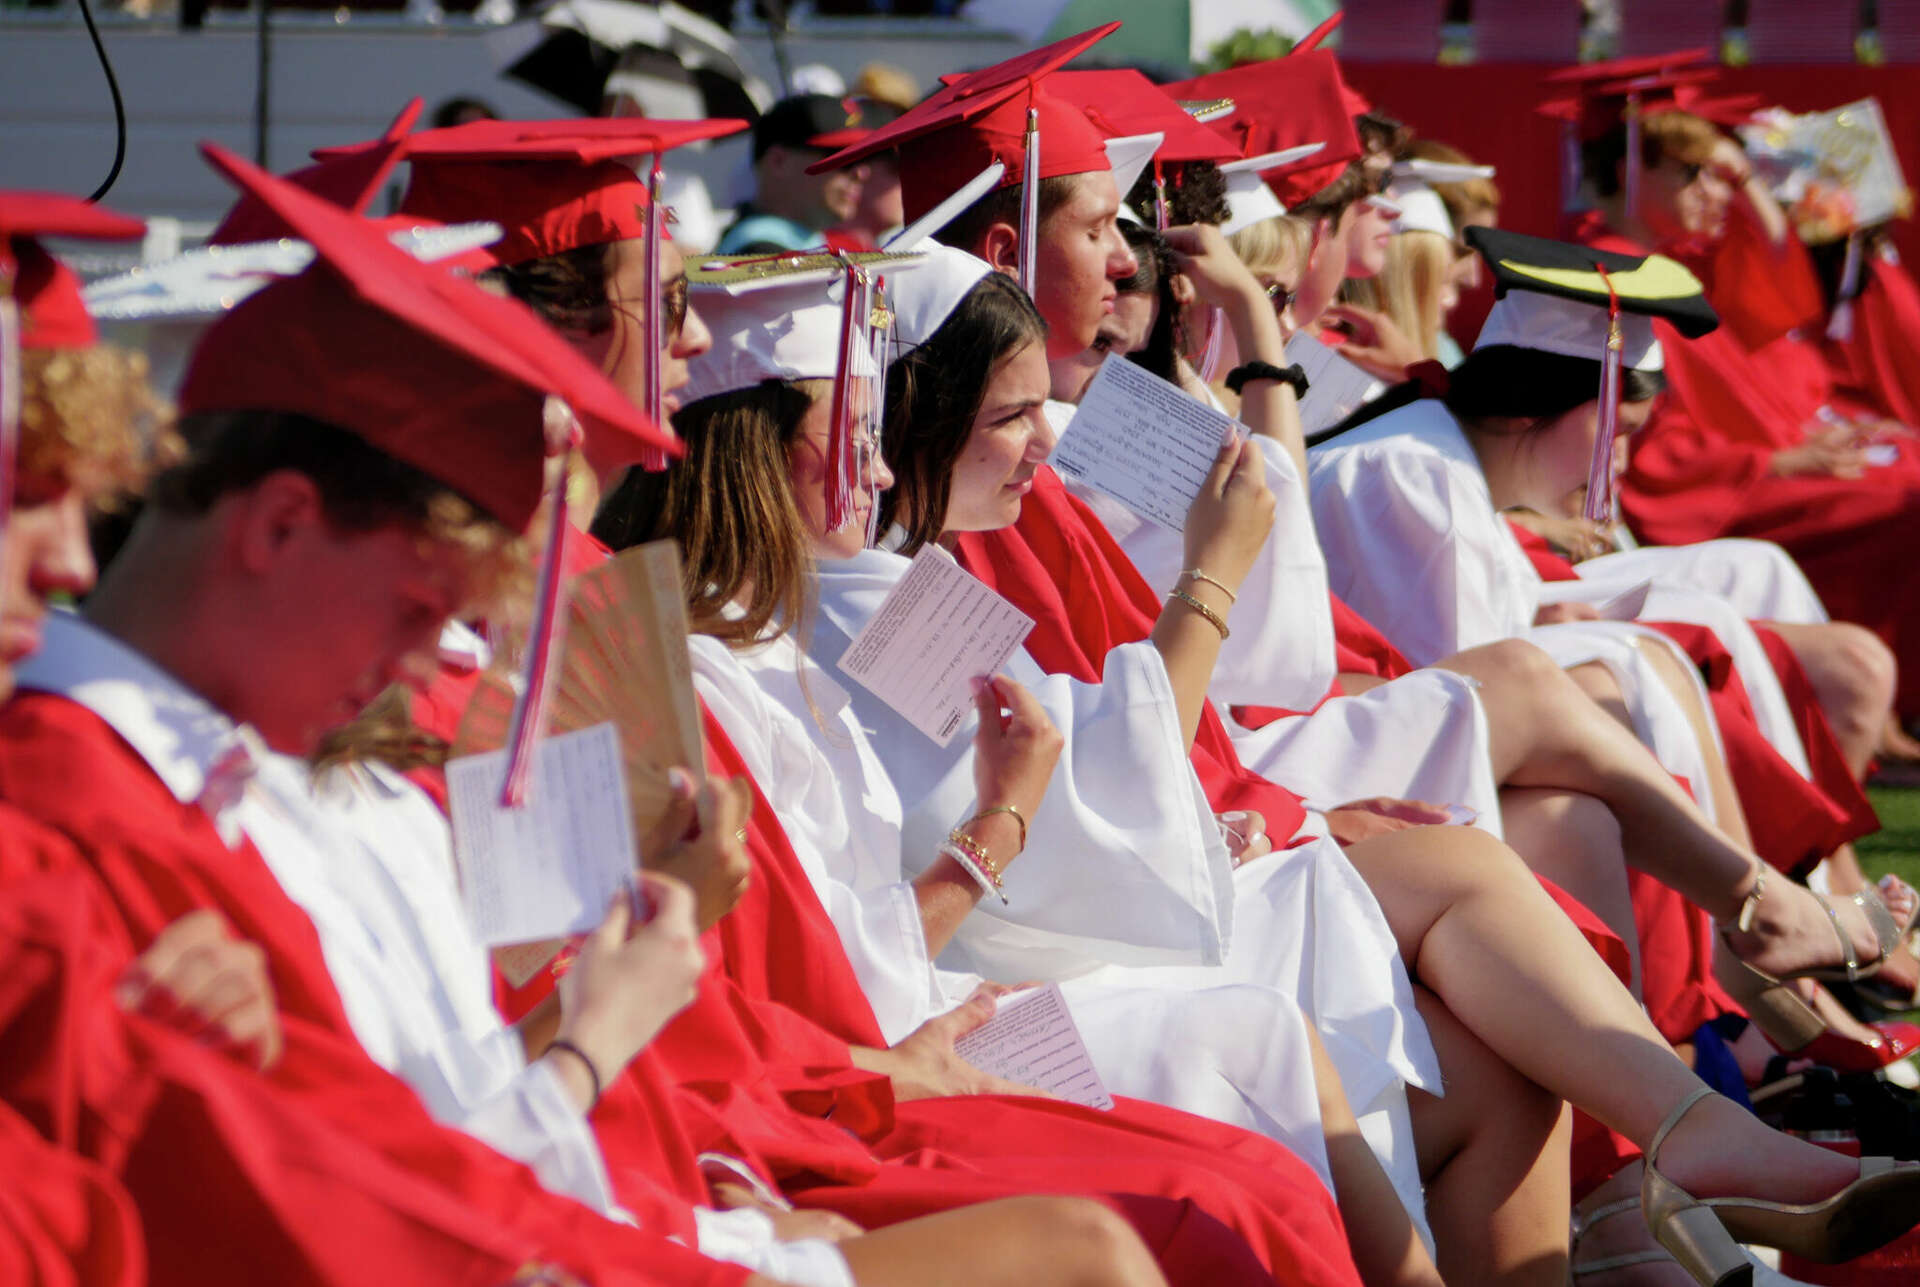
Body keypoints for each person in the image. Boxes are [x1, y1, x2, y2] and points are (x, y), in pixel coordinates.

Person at [716, 95, 868, 254]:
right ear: (778, 162)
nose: (861, 173)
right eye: (842, 157)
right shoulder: (761, 251)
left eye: (862, 158)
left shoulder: (799, 241)